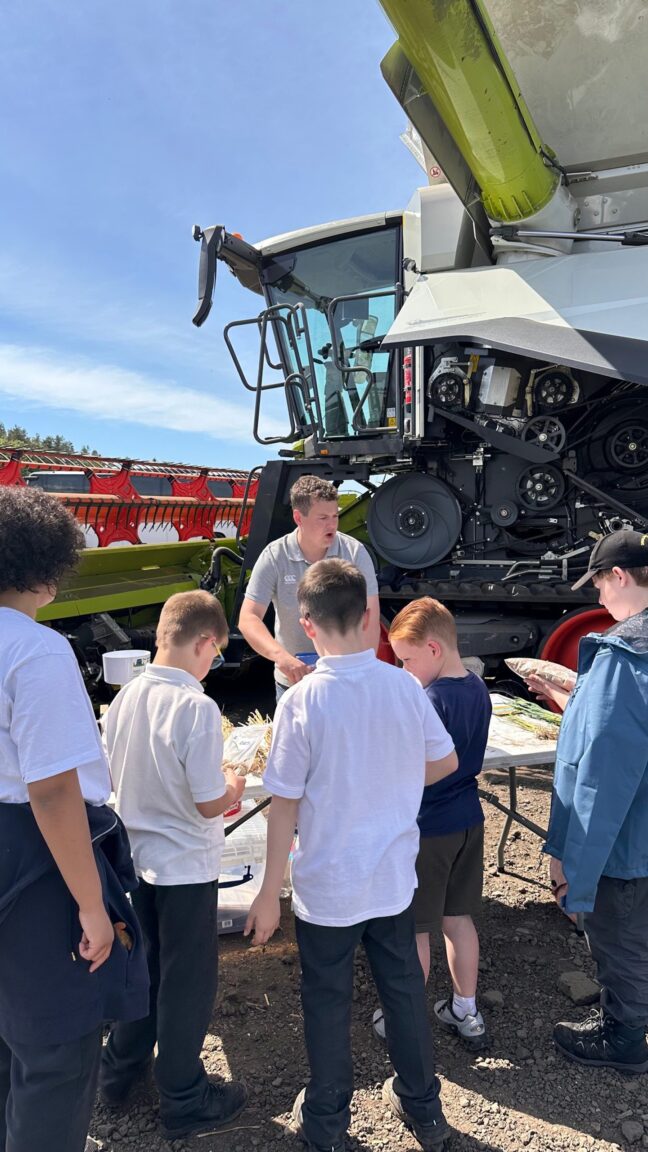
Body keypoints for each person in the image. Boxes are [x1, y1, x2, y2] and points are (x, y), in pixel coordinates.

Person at [245, 559, 458, 1152]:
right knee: (404, 993)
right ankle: (425, 1110)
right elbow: (445, 764)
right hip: (391, 879)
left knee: (327, 999)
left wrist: (267, 892)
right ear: (370, 616)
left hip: (327, 886)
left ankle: (328, 1123)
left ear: (306, 625)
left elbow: (283, 802)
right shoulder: (403, 686)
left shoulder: (303, 701)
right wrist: (390, 778)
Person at [0, 486, 148, 1152]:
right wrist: (92, 906)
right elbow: (54, 790)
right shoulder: (35, 651)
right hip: (36, 851)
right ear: (43, 567)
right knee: (55, 1047)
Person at [99, 590, 248, 1140]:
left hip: (135, 861)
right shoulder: (198, 707)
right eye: (215, 654)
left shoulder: (125, 697)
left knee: (145, 969)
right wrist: (235, 781)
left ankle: (118, 1070)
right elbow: (211, 801)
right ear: (205, 642)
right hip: (185, 865)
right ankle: (184, 1094)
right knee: (187, 982)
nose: (212, 665)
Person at [542, 528, 648, 1072]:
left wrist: (574, 869)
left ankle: (624, 1038)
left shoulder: (624, 656)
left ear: (620, 576)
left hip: (627, 842)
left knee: (620, 937)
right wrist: (576, 698)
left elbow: (601, 775)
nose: (599, 599)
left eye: (601, 585)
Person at [371, 598, 491, 1051]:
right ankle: (467, 1009)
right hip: (469, 819)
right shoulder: (478, 687)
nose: (403, 670)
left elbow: (412, 764)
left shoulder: (430, 700)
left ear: (435, 649)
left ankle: (405, 1018)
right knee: (458, 920)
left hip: (429, 826)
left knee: (415, 927)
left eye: (407, 659)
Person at [239, 474, 380, 700]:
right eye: (322, 517)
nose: (332, 524)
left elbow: (371, 617)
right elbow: (248, 618)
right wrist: (282, 658)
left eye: (335, 516)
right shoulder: (275, 556)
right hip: (294, 682)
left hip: (346, 680)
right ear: (298, 517)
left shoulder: (354, 553)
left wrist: (363, 668)